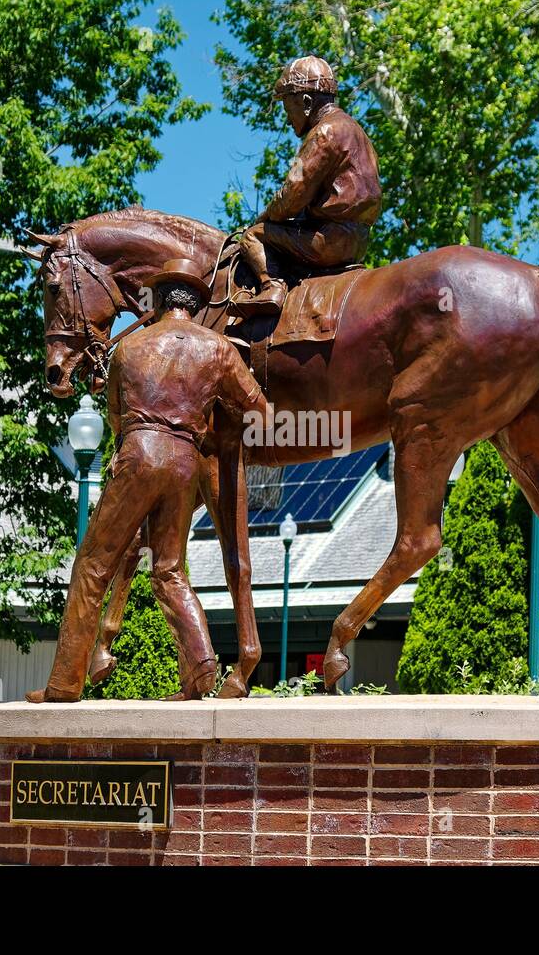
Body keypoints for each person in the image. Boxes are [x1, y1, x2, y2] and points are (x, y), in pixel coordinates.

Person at [27, 259, 269, 703]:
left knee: (94, 565)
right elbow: (261, 412)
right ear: (195, 305)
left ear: (156, 300)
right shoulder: (218, 349)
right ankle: (201, 674)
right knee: (170, 570)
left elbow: (116, 421)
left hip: (138, 452)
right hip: (185, 462)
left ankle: (64, 685)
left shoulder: (128, 348)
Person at [233, 55, 382, 315]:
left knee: (252, 236)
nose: (288, 120)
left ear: (305, 102)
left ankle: (272, 289)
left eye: (287, 109)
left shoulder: (324, 133)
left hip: (330, 239)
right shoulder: (357, 131)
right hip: (358, 241)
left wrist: (260, 221)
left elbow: (290, 197)